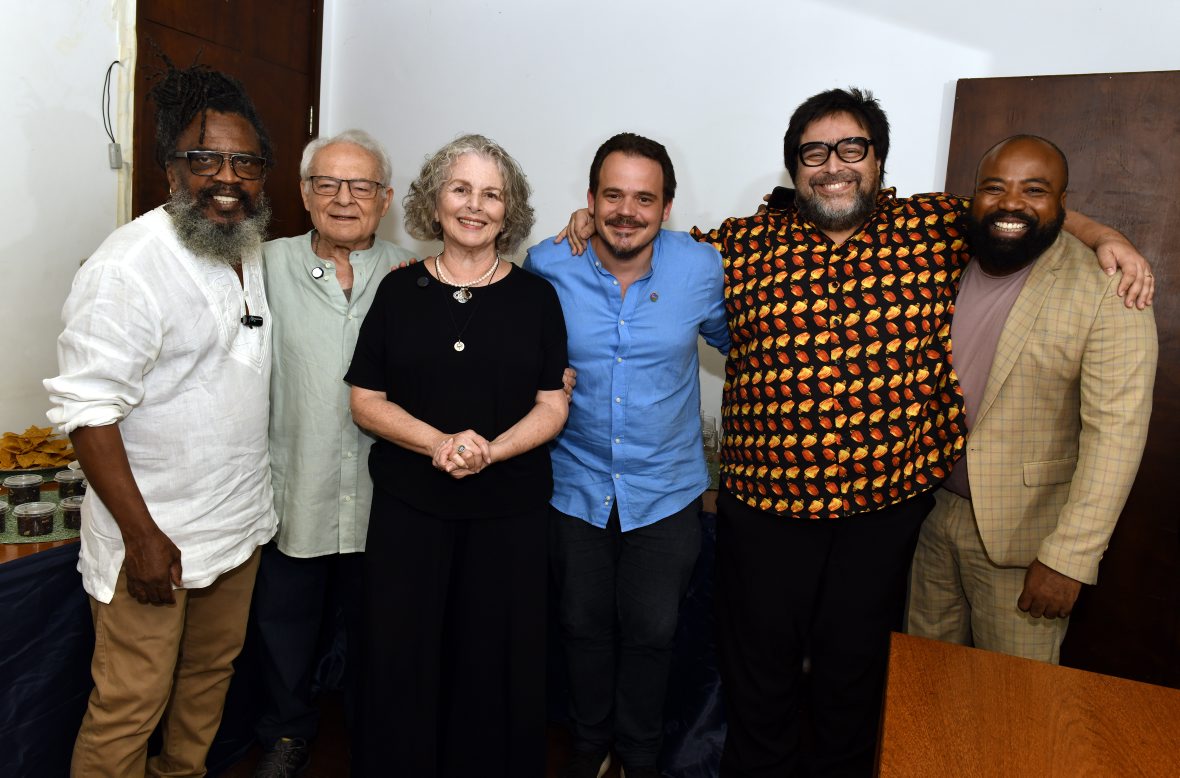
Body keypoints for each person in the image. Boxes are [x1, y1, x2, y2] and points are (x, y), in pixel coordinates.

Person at [560, 88, 1153, 777]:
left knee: (854, 682)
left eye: (852, 148)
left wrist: (1104, 236)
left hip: (883, 515)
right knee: (758, 680)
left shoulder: (934, 226)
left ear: (877, 161)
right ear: (794, 167)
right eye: (814, 152)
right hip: (765, 512)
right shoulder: (735, 245)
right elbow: (643, 242)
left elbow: (1015, 207)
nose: (833, 165)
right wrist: (591, 220)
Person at [44, 61, 277, 777]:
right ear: (169, 168)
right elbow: (88, 412)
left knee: (207, 683)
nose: (227, 178)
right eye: (204, 159)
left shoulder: (242, 242)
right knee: (129, 705)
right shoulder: (126, 268)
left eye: (245, 162)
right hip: (154, 541)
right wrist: (142, 538)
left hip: (235, 527)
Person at [346, 133, 569, 778]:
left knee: (494, 663)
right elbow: (365, 400)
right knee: (403, 657)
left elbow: (553, 404)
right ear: (434, 201)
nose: (475, 205)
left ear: (509, 210)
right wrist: (438, 443)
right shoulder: (398, 292)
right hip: (410, 512)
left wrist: (490, 452)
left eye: (491, 194)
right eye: (461, 189)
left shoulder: (538, 298)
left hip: (509, 516)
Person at [905, 135, 1157, 663]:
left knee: (1014, 702)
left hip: (1026, 543)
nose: (1012, 202)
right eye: (994, 187)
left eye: (1034, 190)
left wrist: (1069, 558)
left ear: (1063, 202)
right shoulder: (941, 256)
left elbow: (1117, 436)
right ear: (974, 196)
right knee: (923, 685)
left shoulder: (1107, 288)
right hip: (930, 518)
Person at [525, 133, 729, 778]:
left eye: (644, 199)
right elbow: (511, 345)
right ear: (589, 200)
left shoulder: (701, 268)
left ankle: (638, 755)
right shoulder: (547, 263)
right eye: (612, 195)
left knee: (652, 632)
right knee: (581, 626)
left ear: (666, 208)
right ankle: (590, 747)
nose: (626, 211)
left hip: (665, 489)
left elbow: (742, 342)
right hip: (574, 482)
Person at [251, 129, 414, 777]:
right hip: (296, 486)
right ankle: (285, 736)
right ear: (304, 193)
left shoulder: (414, 276)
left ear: (385, 199)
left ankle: (378, 738)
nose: (344, 198)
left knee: (382, 633)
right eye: (328, 183)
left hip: (386, 498)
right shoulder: (261, 266)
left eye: (361, 186)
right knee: (284, 627)